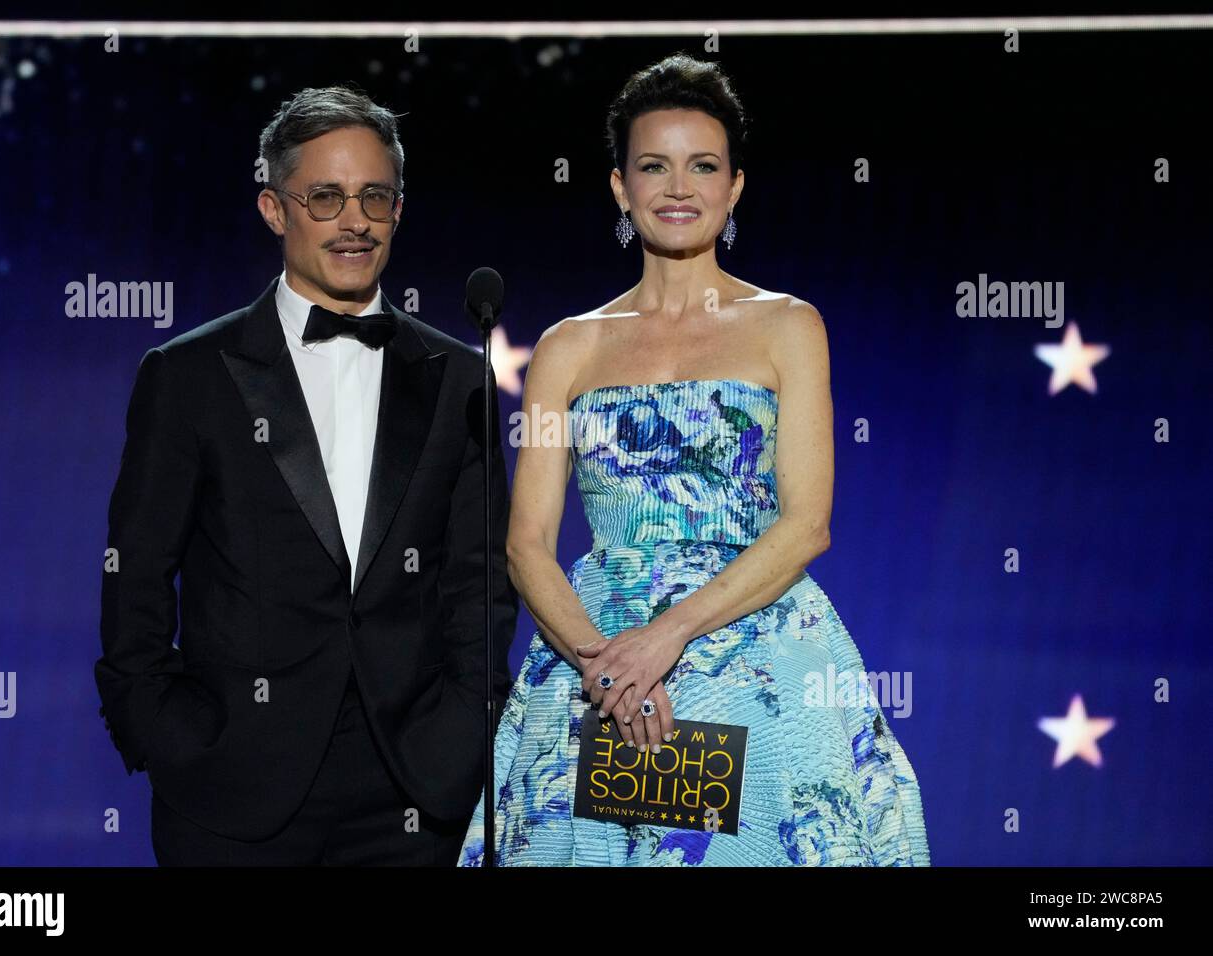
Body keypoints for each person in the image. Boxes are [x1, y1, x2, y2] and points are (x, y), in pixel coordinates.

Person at [457, 54, 930, 866]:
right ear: (619, 187)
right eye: (654, 166)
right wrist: (609, 671)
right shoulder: (567, 348)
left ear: (735, 185)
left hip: (756, 649)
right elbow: (526, 544)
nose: (679, 187)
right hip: (593, 653)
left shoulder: (787, 327)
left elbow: (807, 523)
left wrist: (663, 640)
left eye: (702, 166)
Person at [95, 85, 518, 865]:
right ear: (273, 208)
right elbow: (137, 574)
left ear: (398, 208)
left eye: (374, 197)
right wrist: (162, 730)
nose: (355, 221)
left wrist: (466, 728)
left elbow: (479, 581)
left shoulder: (459, 376)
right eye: (325, 197)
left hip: (414, 792)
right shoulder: (187, 375)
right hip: (230, 789)